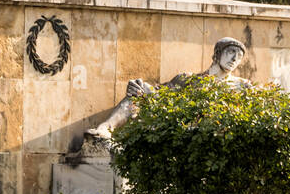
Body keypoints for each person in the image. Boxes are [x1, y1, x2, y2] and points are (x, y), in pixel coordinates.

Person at [84, 37, 251, 141]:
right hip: (183, 134)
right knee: (138, 92)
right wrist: (139, 87)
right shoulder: (189, 79)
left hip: (217, 139)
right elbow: (157, 93)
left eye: (240, 56)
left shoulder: (242, 86)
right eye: (231, 52)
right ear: (218, 53)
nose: (235, 58)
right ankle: (106, 128)